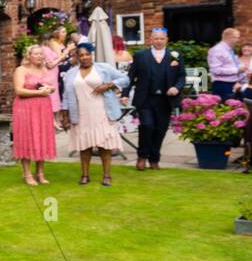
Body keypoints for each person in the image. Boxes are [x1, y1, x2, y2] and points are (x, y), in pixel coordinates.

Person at [62, 41, 131, 185]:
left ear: (91, 55)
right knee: (84, 146)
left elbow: (125, 79)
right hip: (80, 114)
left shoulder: (103, 68)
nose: (85, 57)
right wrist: (65, 115)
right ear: (77, 57)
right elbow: (66, 96)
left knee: (104, 145)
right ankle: (85, 175)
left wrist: (108, 85)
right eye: (81, 55)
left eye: (87, 54)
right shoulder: (71, 73)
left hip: (102, 112)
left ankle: (107, 175)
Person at [127, 27, 185, 170]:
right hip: (145, 98)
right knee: (147, 126)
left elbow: (181, 75)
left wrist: (176, 88)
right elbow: (130, 76)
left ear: (166, 40)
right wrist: (124, 94)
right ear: (151, 39)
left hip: (165, 100)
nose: (159, 41)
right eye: (156, 38)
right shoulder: (140, 55)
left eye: (162, 38)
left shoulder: (175, 55)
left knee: (160, 129)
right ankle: (142, 156)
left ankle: (154, 159)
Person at [12, 44, 57, 185]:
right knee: (27, 137)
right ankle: (27, 174)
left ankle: (40, 173)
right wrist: (39, 92)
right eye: (36, 54)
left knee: (41, 137)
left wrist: (50, 89)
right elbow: (19, 91)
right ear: (29, 56)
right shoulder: (21, 70)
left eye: (41, 54)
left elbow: (51, 87)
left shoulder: (44, 69)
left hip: (43, 108)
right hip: (25, 108)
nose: (39, 56)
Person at [39, 27, 73, 121]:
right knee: (53, 95)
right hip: (50, 74)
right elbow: (51, 64)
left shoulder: (48, 48)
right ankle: (53, 120)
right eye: (50, 38)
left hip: (54, 74)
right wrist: (65, 53)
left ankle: (57, 120)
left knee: (56, 96)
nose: (52, 40)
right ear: (46, 40)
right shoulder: (45, 49)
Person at [206, 28, 241, 101]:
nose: (238, 40)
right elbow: (215, 70)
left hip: (232, 84)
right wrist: (237, 70)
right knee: (224, 110)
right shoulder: (217, 50)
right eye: (237, 37)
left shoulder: (229, 50)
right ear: (229, 37)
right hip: (223, 85)